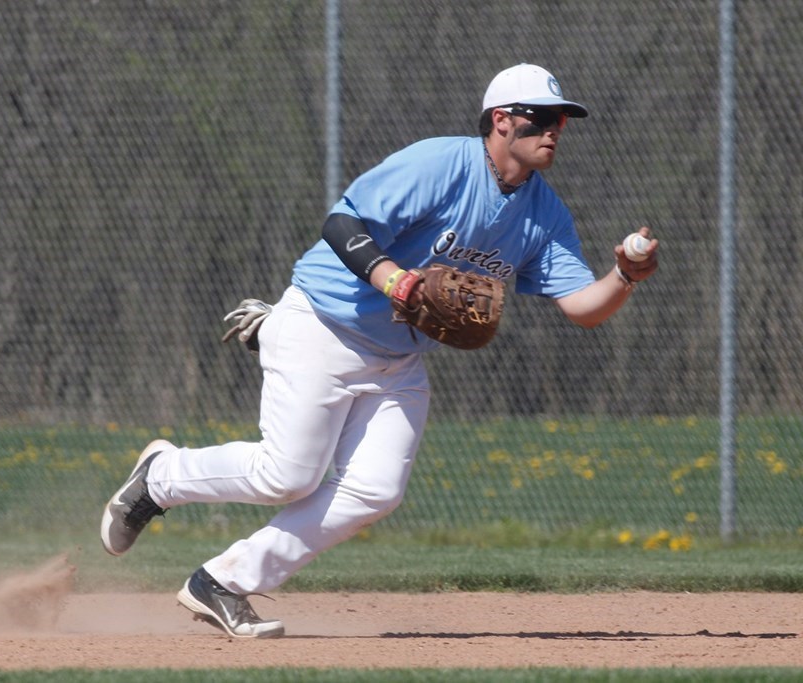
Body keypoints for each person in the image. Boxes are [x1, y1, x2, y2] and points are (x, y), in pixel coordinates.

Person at [100, 63, 659, 638]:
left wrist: (625, 274)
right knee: (287, 476)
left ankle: (222, 582)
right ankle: (161, 476)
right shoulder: (441, 163)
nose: (555, 128)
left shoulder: (543, 214)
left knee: (376, 490)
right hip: (324, 323)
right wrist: (392, 278)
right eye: (541, 117)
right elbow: (342, 223)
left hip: (396, 358)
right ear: (501, 120)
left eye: (561, 119)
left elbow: (583, 307)